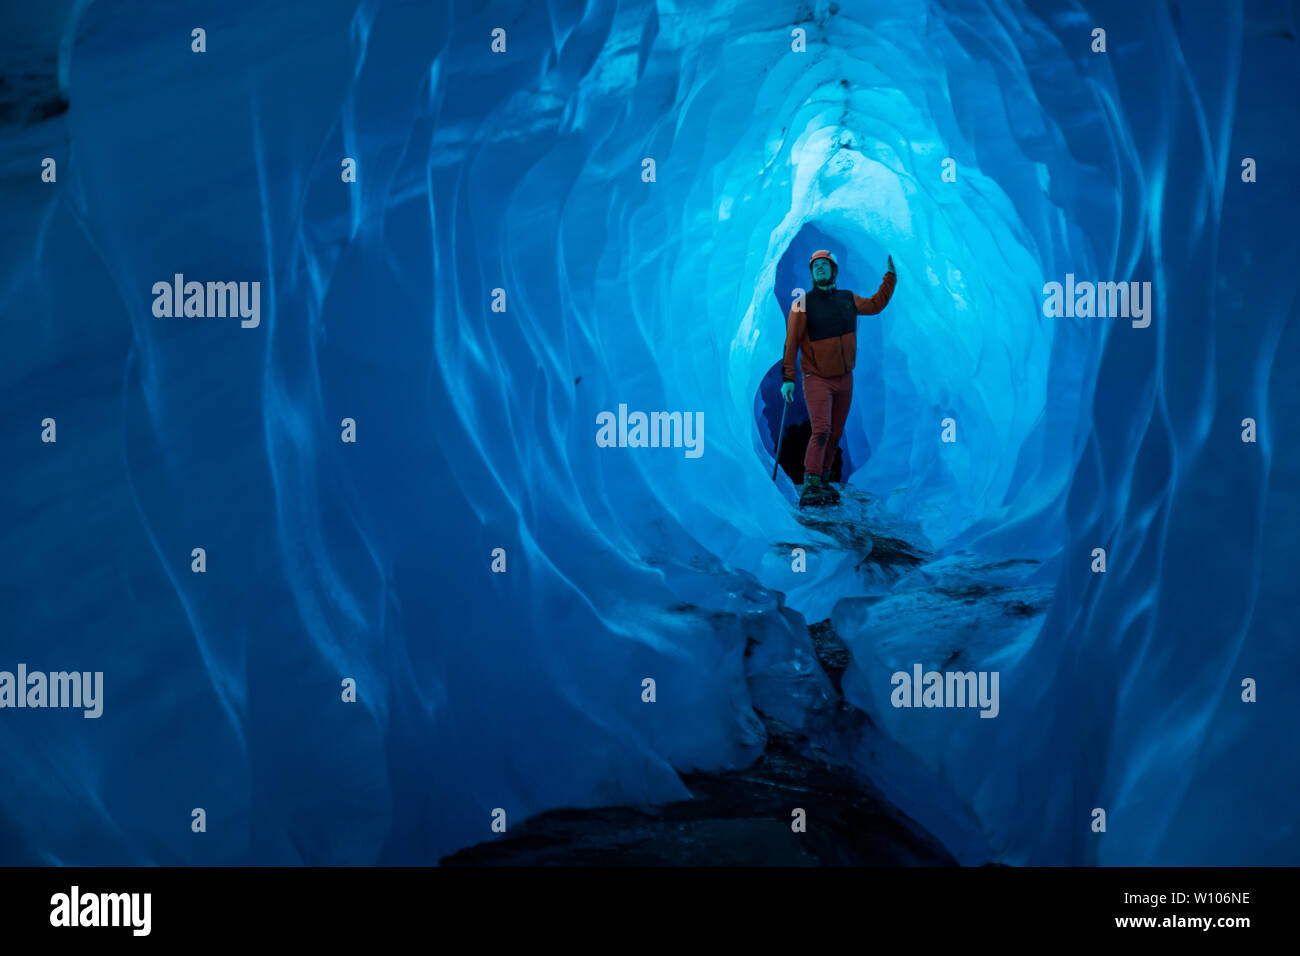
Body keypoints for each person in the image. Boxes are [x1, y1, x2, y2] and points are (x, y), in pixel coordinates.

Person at [781, 249, 897, 507]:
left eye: (824, 265)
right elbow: (791, 344)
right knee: (821, 430)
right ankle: (811, 481)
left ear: (834, 271)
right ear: (811, 273)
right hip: (816, 378)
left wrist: (890, 276)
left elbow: (876, 304)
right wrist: (788, 377)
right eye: (815, 266)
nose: (819, 268)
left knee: (834, 434)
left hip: (845, 378)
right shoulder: (802, 303)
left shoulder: (848, 299)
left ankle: (823, 480)